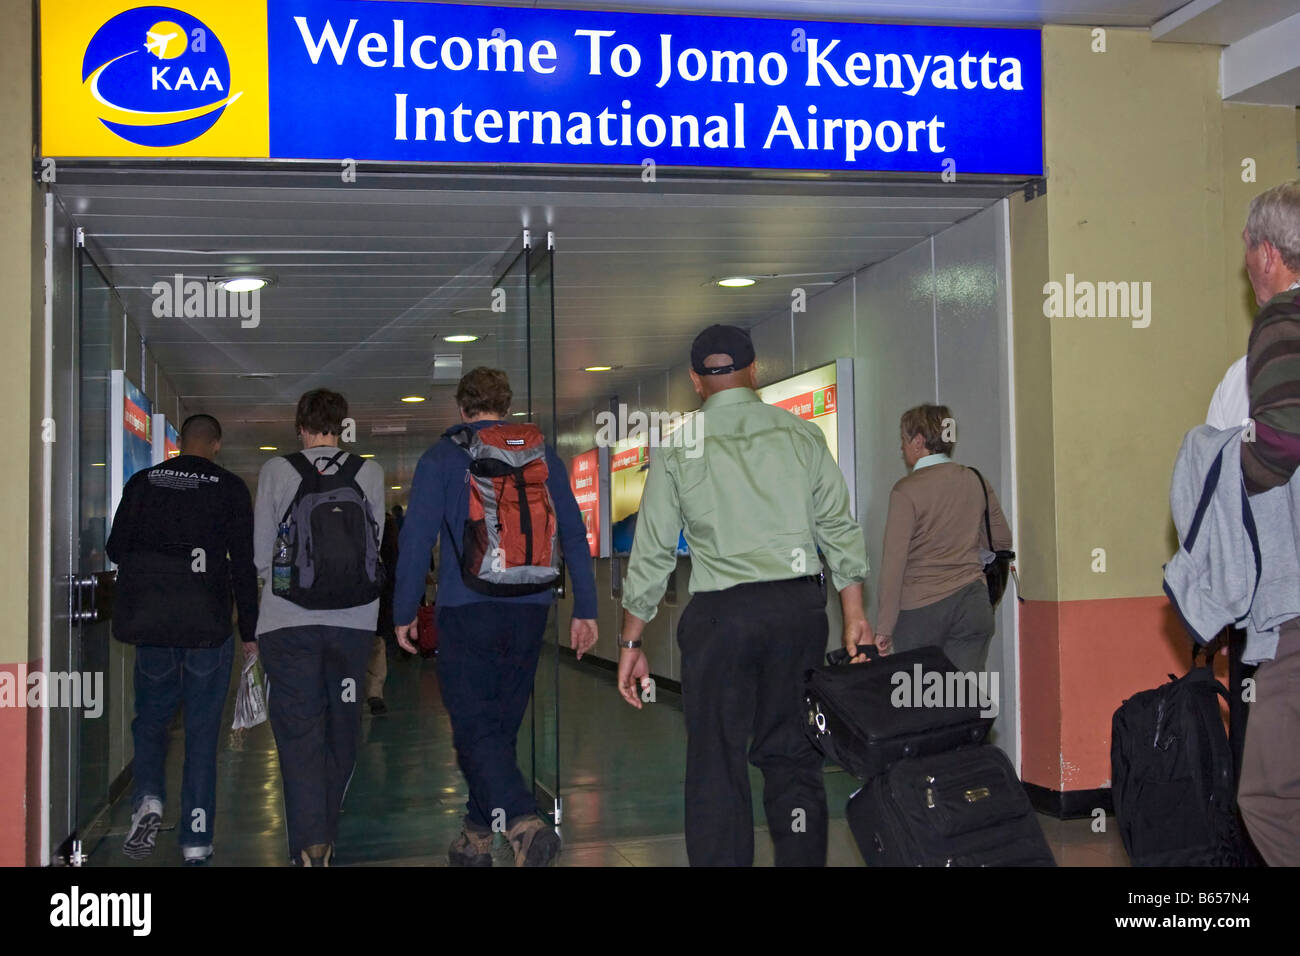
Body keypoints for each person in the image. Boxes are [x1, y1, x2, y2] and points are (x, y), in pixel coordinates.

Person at [617, 324, 871, 867]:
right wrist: (854, 615)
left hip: (720, 620)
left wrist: (632, 639)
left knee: (715, 761)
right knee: (795, 757)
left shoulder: (678, 447)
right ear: (755, 370)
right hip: (796, 614)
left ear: (694, 381)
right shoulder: (801, 435)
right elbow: (838, 529)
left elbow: (654, 550)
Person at [393, 367, 599, 867]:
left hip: (467, 608)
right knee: (498, 725)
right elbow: (572, 534)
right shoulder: (541, 456)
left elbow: (417, 540)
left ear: (462, 409)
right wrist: (586, 609)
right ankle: (476, 835)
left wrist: (403, 613)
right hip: (530, 607)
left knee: (473, 724)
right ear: (505, 407)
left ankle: (524, 824)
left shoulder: (444, 456)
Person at [107, 413, 257, 865]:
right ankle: (196, 838)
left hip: (152, 626)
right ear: (215, 443)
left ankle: (149, 798)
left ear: (179, 443)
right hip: (208, 629)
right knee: (201, 735)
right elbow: (244, 566)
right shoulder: (228, 487)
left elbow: (116, 548)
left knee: (150, 721)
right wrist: (249, 632)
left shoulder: (142, 482)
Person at [253, 389, 385, 867]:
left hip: (288, 625)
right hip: (353, 627)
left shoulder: (276, 471)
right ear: (342, 424)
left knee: (299, 732)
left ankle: (312, 846)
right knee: (343, 727)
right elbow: (373, 548)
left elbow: (260, 554)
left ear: (301, 427)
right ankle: (321, 836)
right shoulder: (368, 471)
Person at [1233, 180, 1300, 865]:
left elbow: (1281, 438)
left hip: (1296, 602)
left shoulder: (1281, 319)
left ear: (1265, 254)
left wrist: (1233, 472)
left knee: (1268, 791)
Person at [874, 404, 1011, 673]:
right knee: (963, 698)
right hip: (972, 603)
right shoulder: (975, 480)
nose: (902, 448)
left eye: (903, 440)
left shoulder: (906, 491)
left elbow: (894, 564)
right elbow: (1002, 539)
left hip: (920, 612)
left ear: (918, 441)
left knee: (921, 702)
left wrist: (884, 627)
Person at [366, 510, 399, 715]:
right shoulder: (386, 523)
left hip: (351, 598)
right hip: (380, 595)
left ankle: (349, 696)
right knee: (377, 645)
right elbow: (393, 563)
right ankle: (374, 693)